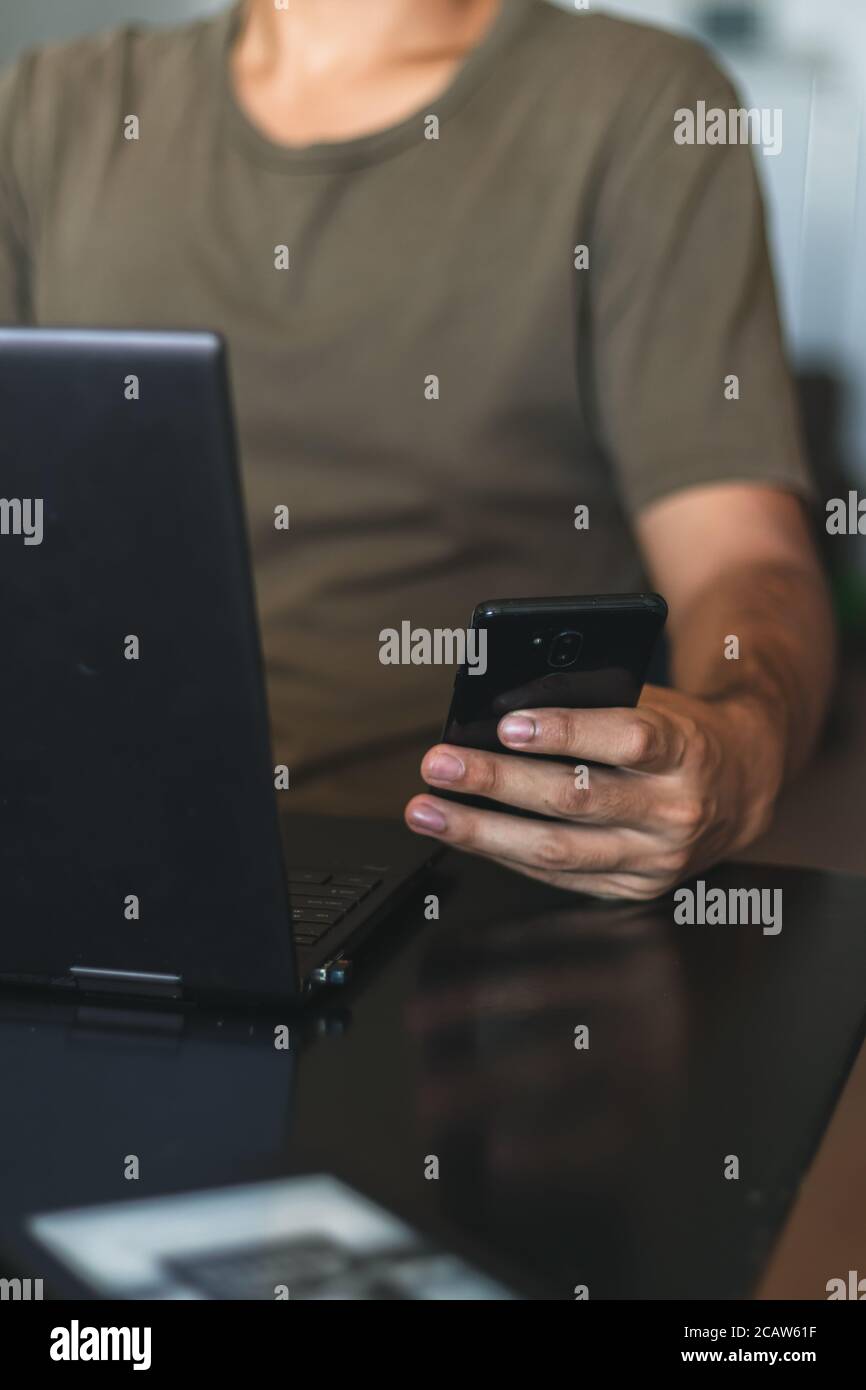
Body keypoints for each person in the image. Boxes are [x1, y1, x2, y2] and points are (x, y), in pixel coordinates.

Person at [0, 0, 834, 899]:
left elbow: (741, 558)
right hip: (84, 858)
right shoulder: (50, 106)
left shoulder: (640, 105)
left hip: (469, 883)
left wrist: (743, 746)